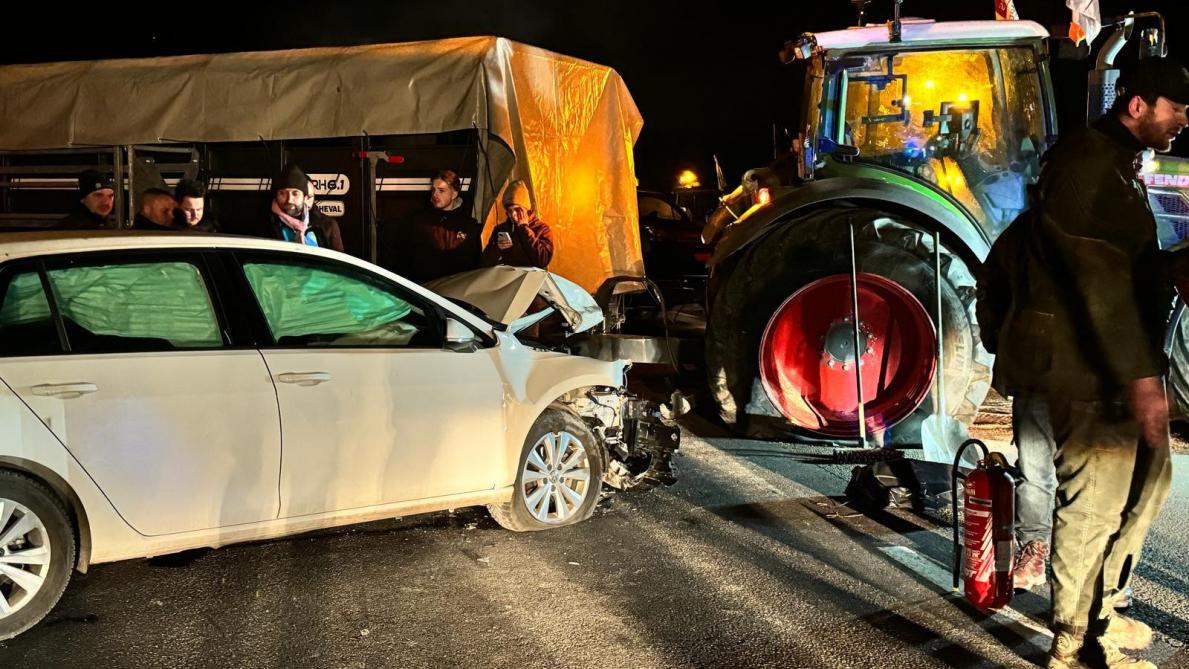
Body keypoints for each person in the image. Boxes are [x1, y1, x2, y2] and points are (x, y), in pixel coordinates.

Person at [992, 57, 1188, 669]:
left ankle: (1103, 612)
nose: (1184, 119)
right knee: (1096, 499)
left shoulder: (1112, 164)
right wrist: (1142, 376)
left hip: (1110, 356)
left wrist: (1172, 266)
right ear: (1140, 105)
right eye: (1177, 107)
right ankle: (1073, 642)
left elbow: (1122, 262)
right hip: (1083, 362)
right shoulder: (1085, 163)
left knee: (1150, 478)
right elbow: (1098, 279)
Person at [397, 170, 481, 283]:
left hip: (457, 289)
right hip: (426, 288)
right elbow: (404, 256)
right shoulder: (418, 221)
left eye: (441, 191)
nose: (435, 194)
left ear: (454, 194)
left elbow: (475, 263)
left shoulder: (469, 225)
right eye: (433, 190)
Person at [253, 163, 341, 249]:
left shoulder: (327, 225)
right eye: (282, 194)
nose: (289, 200)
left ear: (305, 197)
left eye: (295, 194)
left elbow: (339, 261)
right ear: (275, 197)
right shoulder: (265, 223)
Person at [481, 179, 553, 269]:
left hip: (532, 280)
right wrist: (497, 248)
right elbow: (485, 263)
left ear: (526, 208)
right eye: (509, 210)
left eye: (517, 209)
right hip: (509, 279)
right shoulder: (501, 229)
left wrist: (524, 228)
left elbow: (543, 260)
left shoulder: (541, 228)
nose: (513, 214)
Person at [305, 179, 345, 252]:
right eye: (303, 196)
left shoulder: (329, 224)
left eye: (309, 197)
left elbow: (338, 258)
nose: (305, 202)